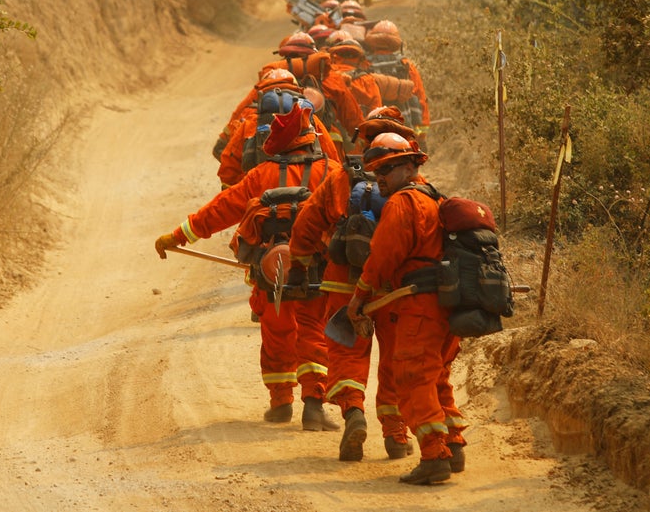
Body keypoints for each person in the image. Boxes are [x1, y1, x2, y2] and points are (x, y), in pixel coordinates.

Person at [155, 102, 342, 430]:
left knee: (277, 330)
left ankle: (281, 402)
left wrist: (177, 236)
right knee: (313, 330)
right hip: (316, 270)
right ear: (310, 139)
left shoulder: (262, 174)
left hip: (271, 274)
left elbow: (220, 209)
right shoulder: (333, 172)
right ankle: (314, 405)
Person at [288, 107, 418, 462]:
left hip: (344, 284)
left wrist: (299, 265)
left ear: (363, 140)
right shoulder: (411, 183)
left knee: (346, 354)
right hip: (392, 287)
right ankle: (395, 435)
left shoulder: (340, 178)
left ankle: (353, 413)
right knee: (394, 359)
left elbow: (306, 225)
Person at [347, 132, 467, 485]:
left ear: (409, 166)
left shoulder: (403, 204)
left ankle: (433, 457)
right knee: (436, 377)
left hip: (419, 308)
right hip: (447, 305)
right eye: (375, 171)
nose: (378, 178)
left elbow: (382, 258)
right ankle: (454, 444)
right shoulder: (436, 198)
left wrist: (359, 298)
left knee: (412, 378)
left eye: (386, 169)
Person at [217, 69, 339, 189]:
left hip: (261, 199)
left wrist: (248, 189)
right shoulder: (310, 120)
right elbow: (333, 160)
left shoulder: (249, 124)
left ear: (262, 96)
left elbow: (228, 172)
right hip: (308, 197)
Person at [364, 20, 432, 150]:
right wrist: (421, 135)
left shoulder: (365, 65)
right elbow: (420, 99)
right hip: (403, 127)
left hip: (376, 126)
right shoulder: (405, 65)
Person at [328, 38, 382, 118]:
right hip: (359, 128)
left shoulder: (326, 76)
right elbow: (376, 113)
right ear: (360, 60)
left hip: (328, 128)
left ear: (335, 57)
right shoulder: (368, 81)